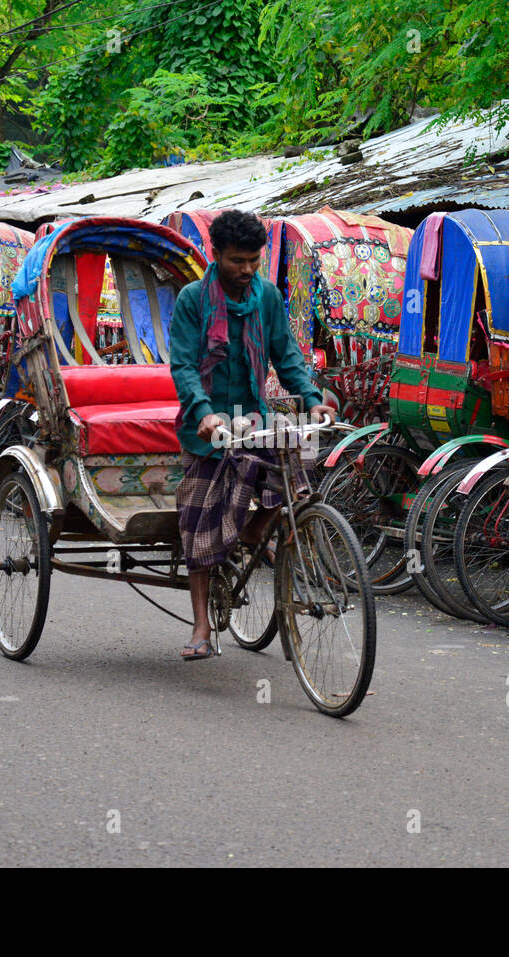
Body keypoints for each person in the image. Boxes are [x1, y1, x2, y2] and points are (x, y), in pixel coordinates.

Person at [168, 210, 336, 661]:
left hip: (253, 418)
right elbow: (183, 365)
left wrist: (312, 396)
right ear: (216, 254)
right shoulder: (191, 300)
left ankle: (251, 530)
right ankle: (202, 625)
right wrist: (202, 412)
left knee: (295, 471)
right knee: (200, 520)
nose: (246, 270)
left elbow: (287, 354)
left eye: (253, 261)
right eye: (237, 261)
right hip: (206, 427)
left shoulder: (265, 297)